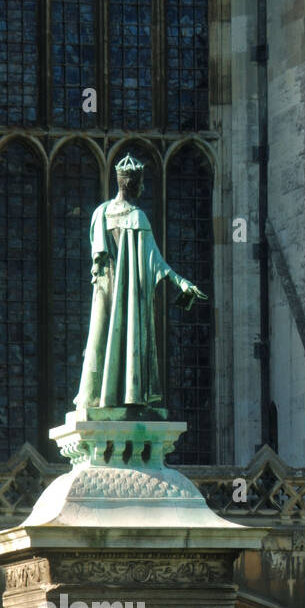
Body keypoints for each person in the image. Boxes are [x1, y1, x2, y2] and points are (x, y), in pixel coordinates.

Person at [74, 155, 207, 415]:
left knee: (100, 339)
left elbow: (99, 253)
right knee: (121, 339)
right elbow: (154, 259)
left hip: (105, 292)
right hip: (126, 296)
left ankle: (93, 397)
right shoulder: (137, 218)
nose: (143, 189)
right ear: (131, 185)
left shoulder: (100, 214)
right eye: (141, 183)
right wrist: (180, 282)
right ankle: (126, 395)